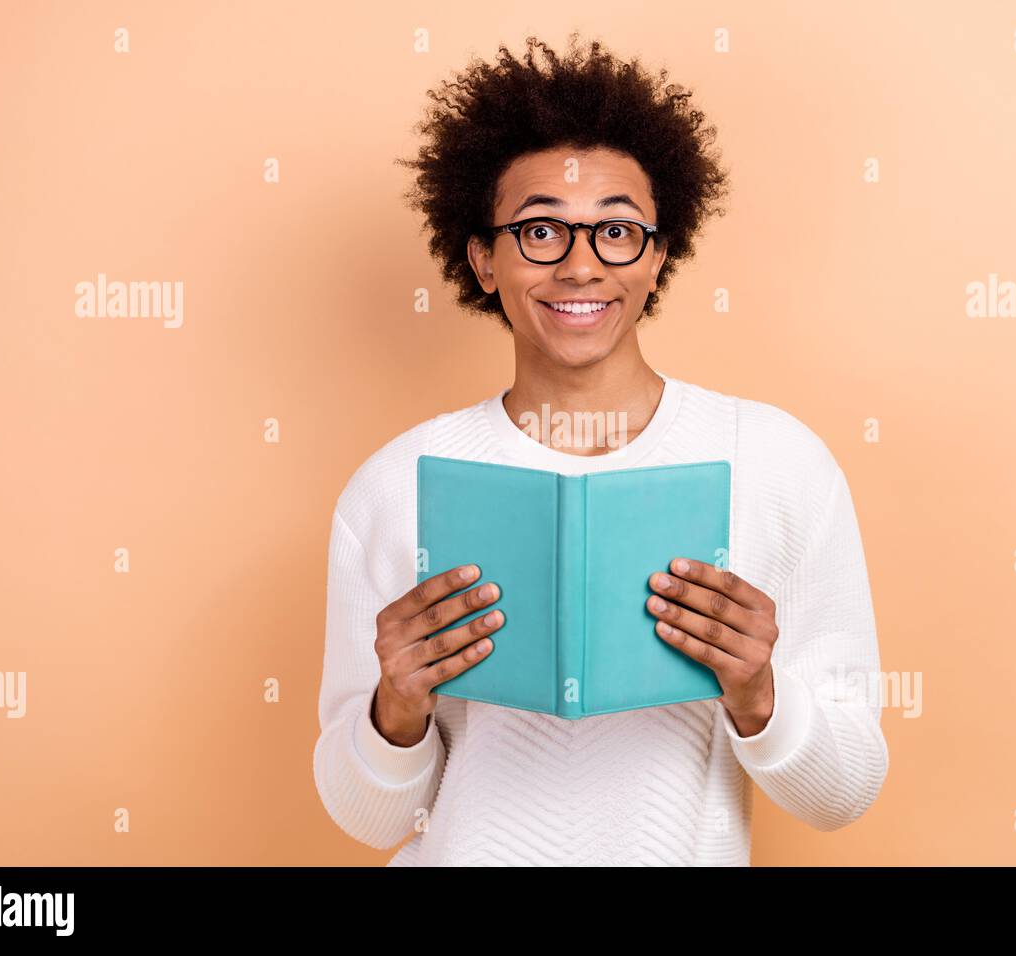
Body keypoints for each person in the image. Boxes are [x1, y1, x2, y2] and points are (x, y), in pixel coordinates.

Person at [312, 34, 889, 866]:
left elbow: (846, 792)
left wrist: (761, 696)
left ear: (658, 256)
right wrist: (393, 713)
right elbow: (368, 821)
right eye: (541, 230)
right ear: (483, 258)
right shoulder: (393, 487)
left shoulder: (777, 463)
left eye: (617, 232)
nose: (581, 267)